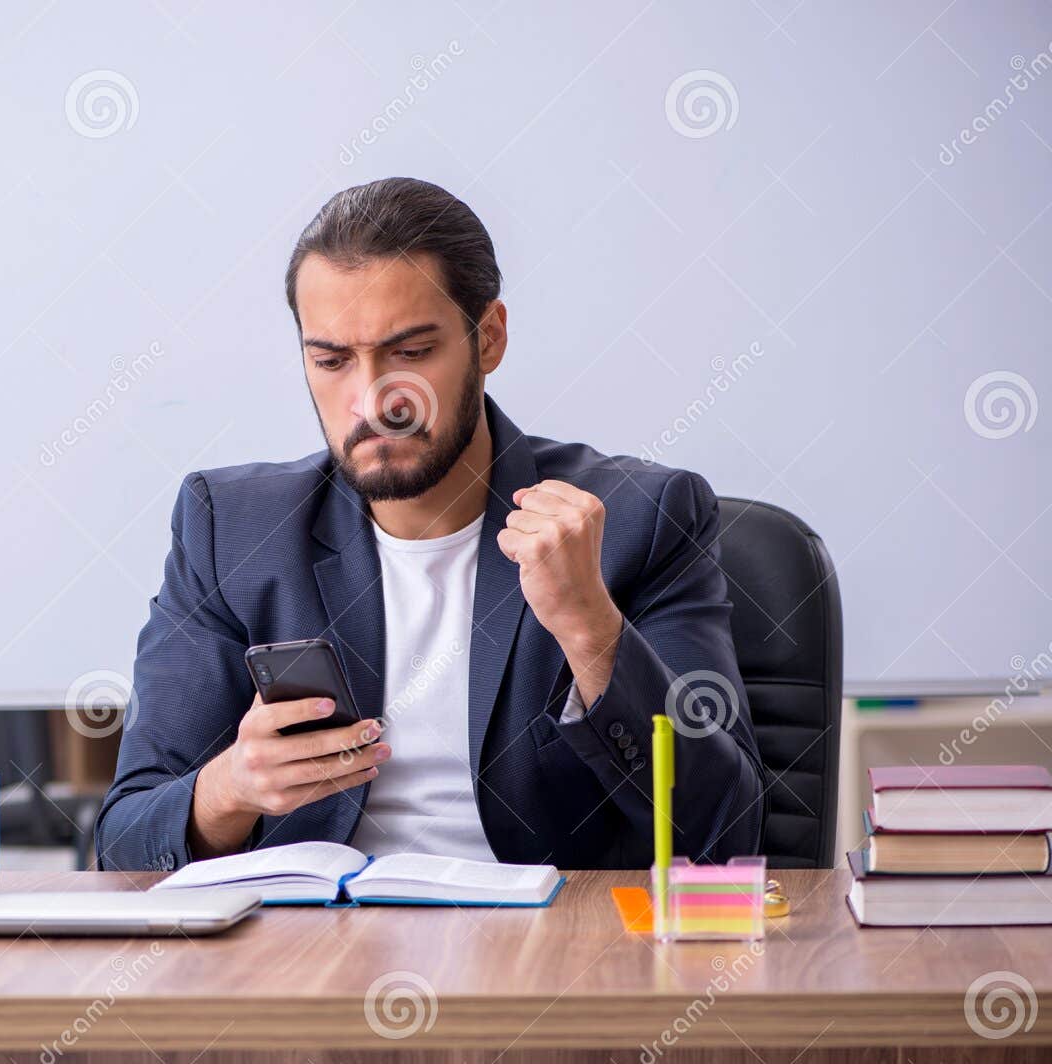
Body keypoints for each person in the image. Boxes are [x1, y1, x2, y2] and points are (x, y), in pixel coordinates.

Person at [96, 177, 765, 872]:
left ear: (490, 338)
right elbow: (123, 845)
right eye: (331, 361)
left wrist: (591, 628)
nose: (374, 400)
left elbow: (726, 834)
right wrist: (229, 788)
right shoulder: (231, 529)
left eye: (411, 353)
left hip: (551, 956)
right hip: (312, 957)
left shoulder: (639, 521)